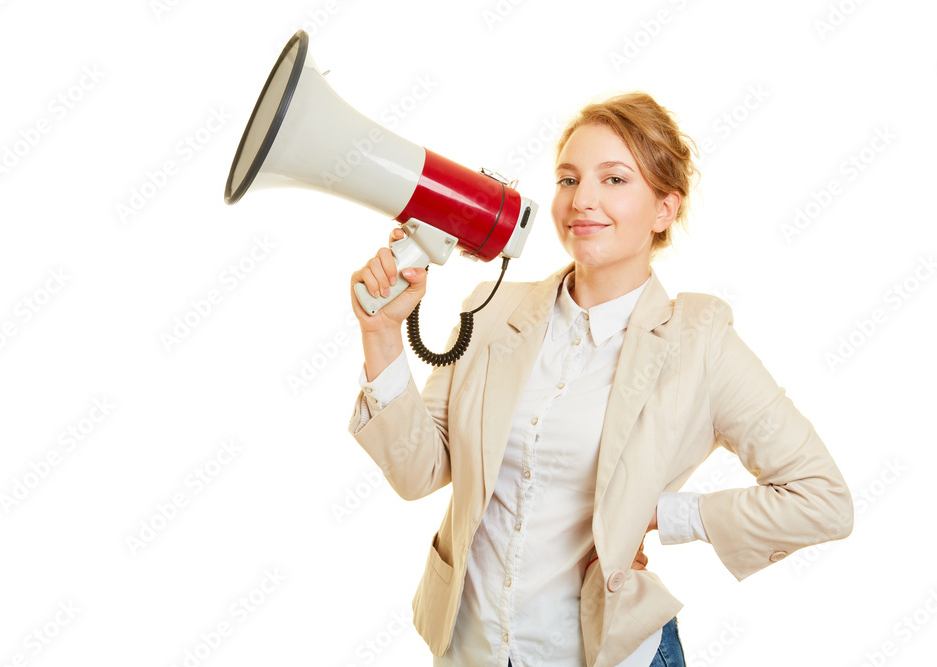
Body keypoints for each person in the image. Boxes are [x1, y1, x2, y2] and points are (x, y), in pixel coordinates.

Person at [347, 92, 854, 667]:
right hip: (471, 648)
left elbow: (823, 501)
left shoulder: (700, 342)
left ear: (664, 209)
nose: (582, 200)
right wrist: (382, 334)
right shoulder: (490, 312)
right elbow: (418, 472)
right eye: (568, 179)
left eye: (614, 179)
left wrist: (660, 512)